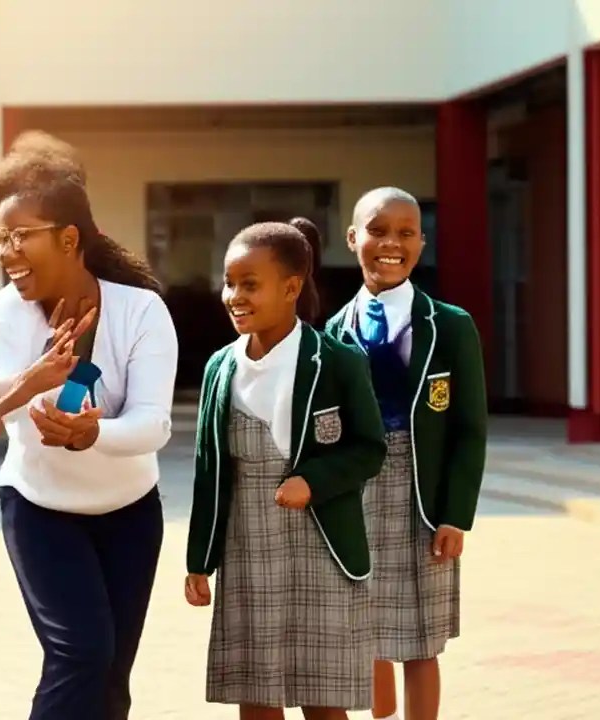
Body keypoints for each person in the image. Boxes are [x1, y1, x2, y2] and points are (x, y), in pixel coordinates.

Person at [0, 132, 178, 720]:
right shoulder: (3, 318)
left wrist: (92, 433)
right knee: (81, 653)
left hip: (130, 513)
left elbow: (153, 423)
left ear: (69, 237)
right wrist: (42, 378)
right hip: (40, 508)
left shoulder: (140, 311)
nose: (6, 253)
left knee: (112, 679)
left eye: (19, 237)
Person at [185, 219, 386, 720]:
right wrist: (199, 560)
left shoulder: (337, 362)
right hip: (246, 545)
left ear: (292, 287)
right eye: (229, 283)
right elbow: (210, 470)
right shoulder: (219, 367)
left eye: (249, 284)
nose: (234, 296)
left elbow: (369, 448)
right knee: (256, 693)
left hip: (320, 542)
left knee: (322, 696)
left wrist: (312, 482)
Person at [324, 188, 487, 720]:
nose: (390, 243)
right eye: (376, 230)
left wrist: (455, 514)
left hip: (422, 493)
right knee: (361, 621)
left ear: (422, 242)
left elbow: (469, 429)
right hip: (356, 489)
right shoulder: (333, 332)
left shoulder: (451, 326)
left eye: (405, 232)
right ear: (353, 239)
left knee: (420, 634)